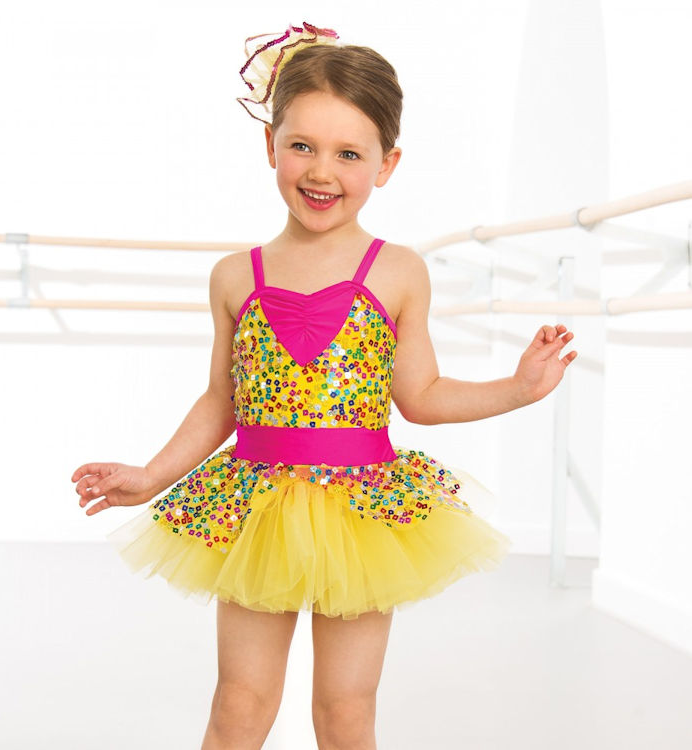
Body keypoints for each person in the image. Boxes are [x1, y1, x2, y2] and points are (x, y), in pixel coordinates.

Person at [71, 21, 577, 750]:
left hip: (361, 512)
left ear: (387, 163)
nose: (321, 172)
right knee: (239, 704)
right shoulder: (234, 276)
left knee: (345, 712)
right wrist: (151, 475)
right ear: (269, 145)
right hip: (255, 508)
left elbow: (422, 397)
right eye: (302, 146)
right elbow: (221, 400)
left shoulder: (398, 271)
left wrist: (518, 388)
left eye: (349, 154)